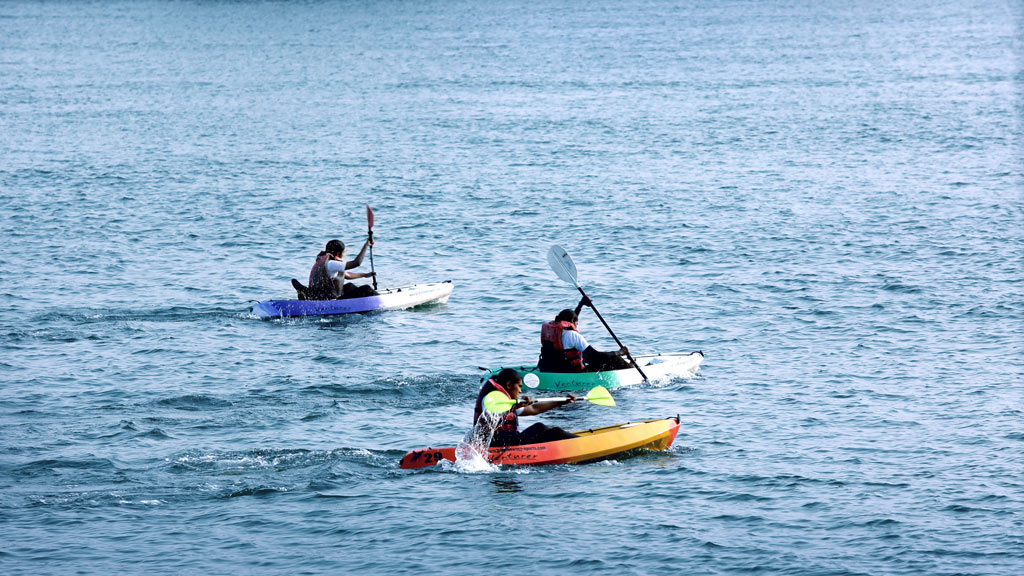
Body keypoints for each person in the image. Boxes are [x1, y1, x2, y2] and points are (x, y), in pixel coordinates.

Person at [473, 368, 579, 447]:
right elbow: (491, 417)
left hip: (508, 440)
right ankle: (585, 444)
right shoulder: (490, 398)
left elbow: (534, 409)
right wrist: (515, 406)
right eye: (519, 386)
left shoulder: (507, 400)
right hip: (495, 444)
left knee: (539, 426)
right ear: (509, 385)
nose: (520, 391)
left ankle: (581, 441)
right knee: (556, 432)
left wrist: (560, 402)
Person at [537, 296, 631, 372]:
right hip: (570, 372)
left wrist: (581, 304)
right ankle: (631, 368)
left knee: (584, 355)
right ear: (573, 322)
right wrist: (620, 352)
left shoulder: (550, 332)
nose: (576, 327)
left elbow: (571, 319)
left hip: (549, 368)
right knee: (614, 359)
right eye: (576, 324)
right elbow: (595, 356)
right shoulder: (573, 336)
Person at [306, 238, 377, 300]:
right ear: (338, 253)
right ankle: (379, 299)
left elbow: (347, 275)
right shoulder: (332, 264)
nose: (343, 254)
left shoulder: (325, 262)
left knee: (350, 286)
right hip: (332, 299)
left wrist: (365, 275)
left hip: (326, 296)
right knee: (366, 289)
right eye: (343, 252)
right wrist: (366, 245)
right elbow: (357, 263)